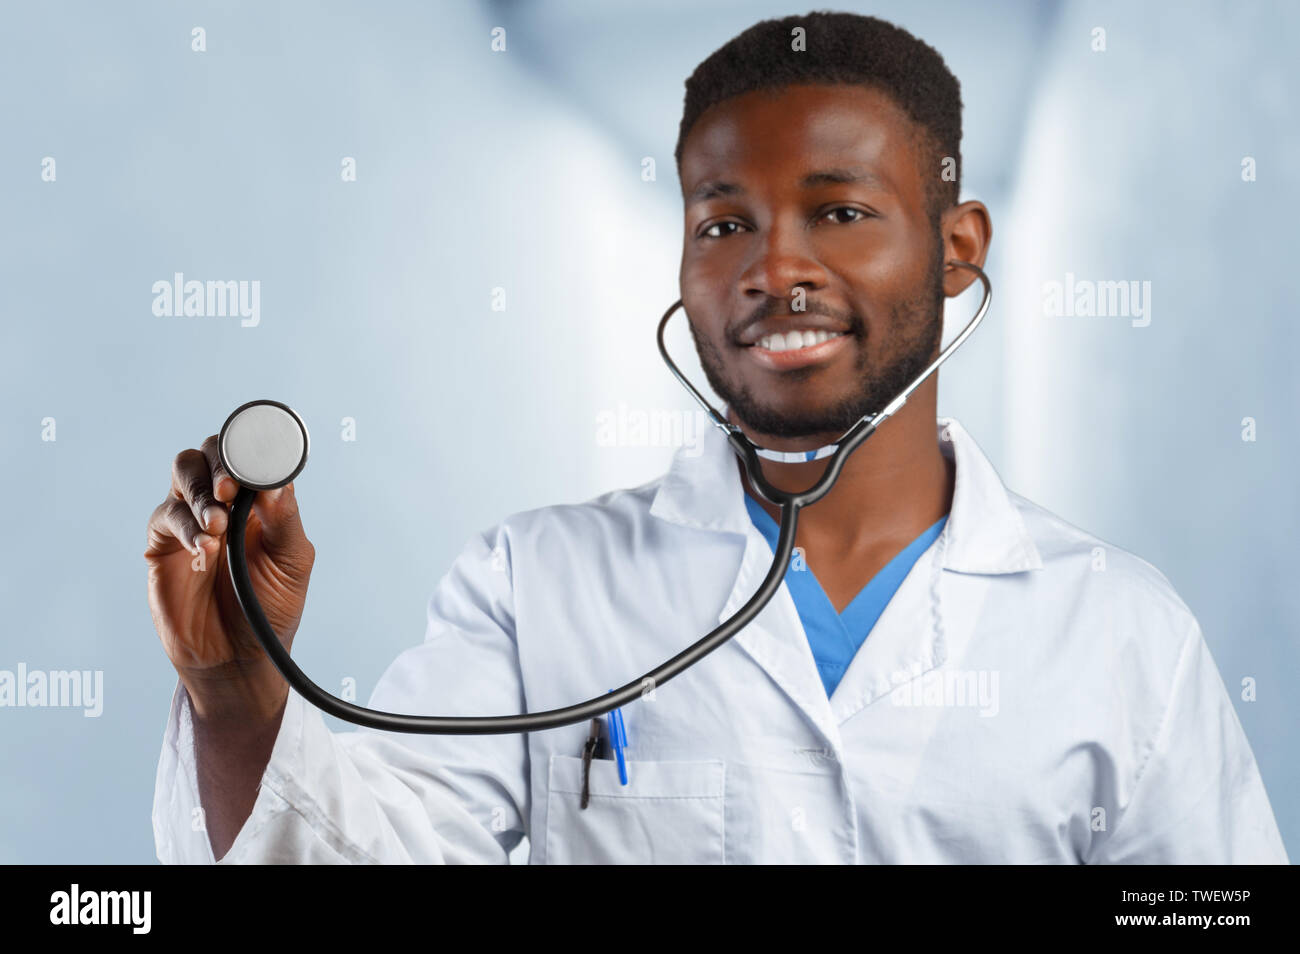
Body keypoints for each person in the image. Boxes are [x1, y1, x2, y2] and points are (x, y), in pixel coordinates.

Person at [144, 11, 1289, 864]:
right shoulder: (534, 587)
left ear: (957, 249)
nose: (772, 266)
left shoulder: (1119, 632)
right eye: (724, 221)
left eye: (840, 211)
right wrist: (230, 693)